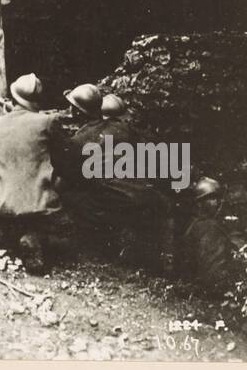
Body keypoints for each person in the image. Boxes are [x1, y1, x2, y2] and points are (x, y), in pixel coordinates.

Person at [60, 88, 175, 274]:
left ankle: (98, 248)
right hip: (144, 197)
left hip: (114, 204)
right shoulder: (124, 129)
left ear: (76, 112)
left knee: (68, 196)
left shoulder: (79, 141)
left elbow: (68, 178)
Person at [0, 73, 69, 274]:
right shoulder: (48, 121)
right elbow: (63, 158)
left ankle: (6, 231)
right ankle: (35, 237)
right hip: (37, 205)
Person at [178, 177, 236, 291]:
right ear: (200, 203)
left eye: (217, 198)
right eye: (212, 198)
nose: (217, 202)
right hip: (209, 290)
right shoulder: (208, 227)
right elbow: (214, 272)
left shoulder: (195, 223)